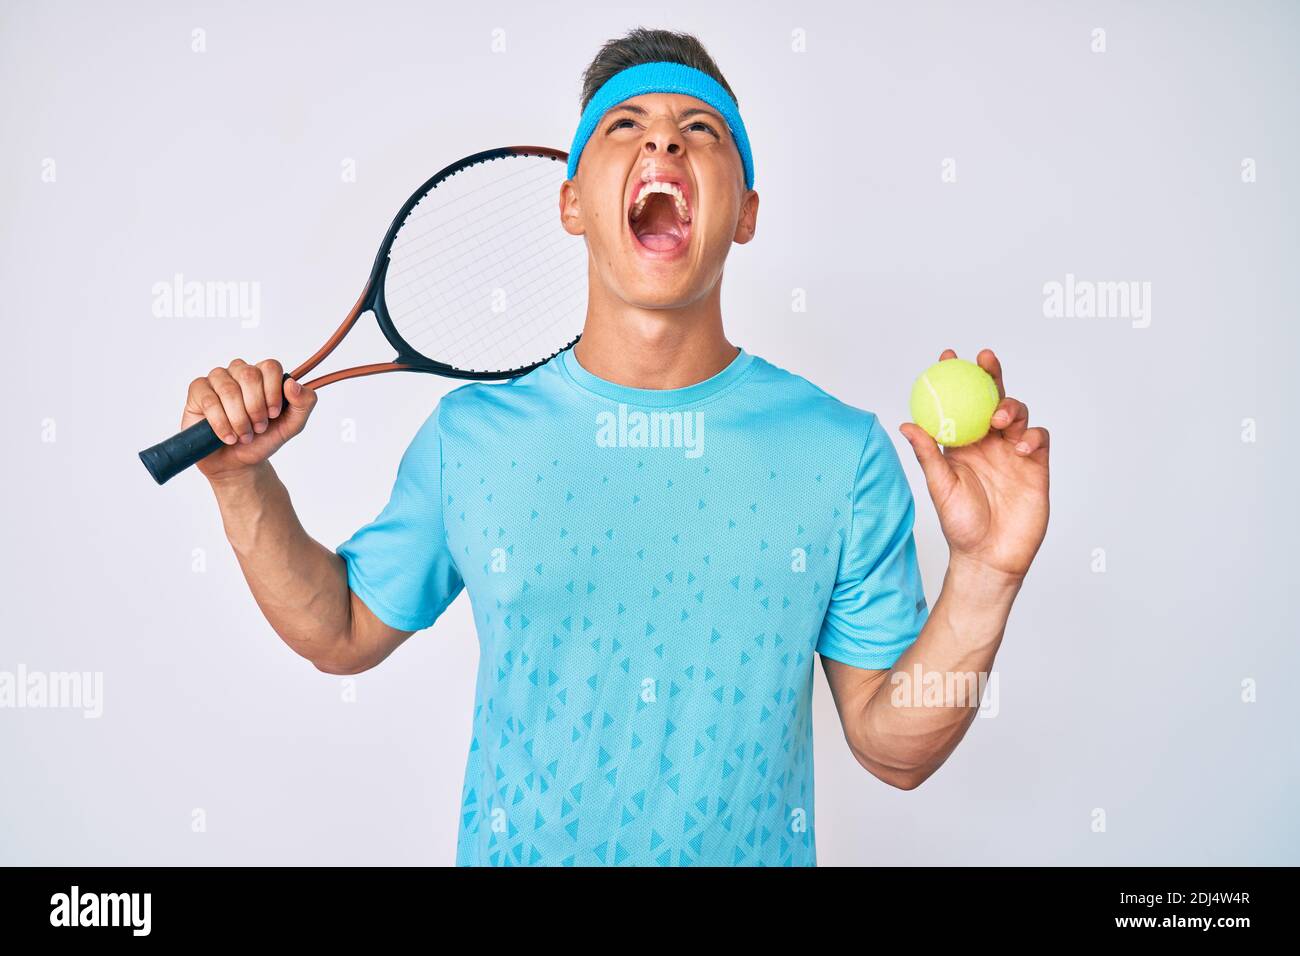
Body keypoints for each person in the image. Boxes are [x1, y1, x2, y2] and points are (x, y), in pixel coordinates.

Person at [178, 28, 1050, 866]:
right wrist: (239, 484)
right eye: (625, 127)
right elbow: (341, 629)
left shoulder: (844, 453)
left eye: (699, 131)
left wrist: (986, 572)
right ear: (571, 201)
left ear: (745, 212)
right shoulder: (473, 438)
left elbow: (894, 747)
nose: (662, 146)